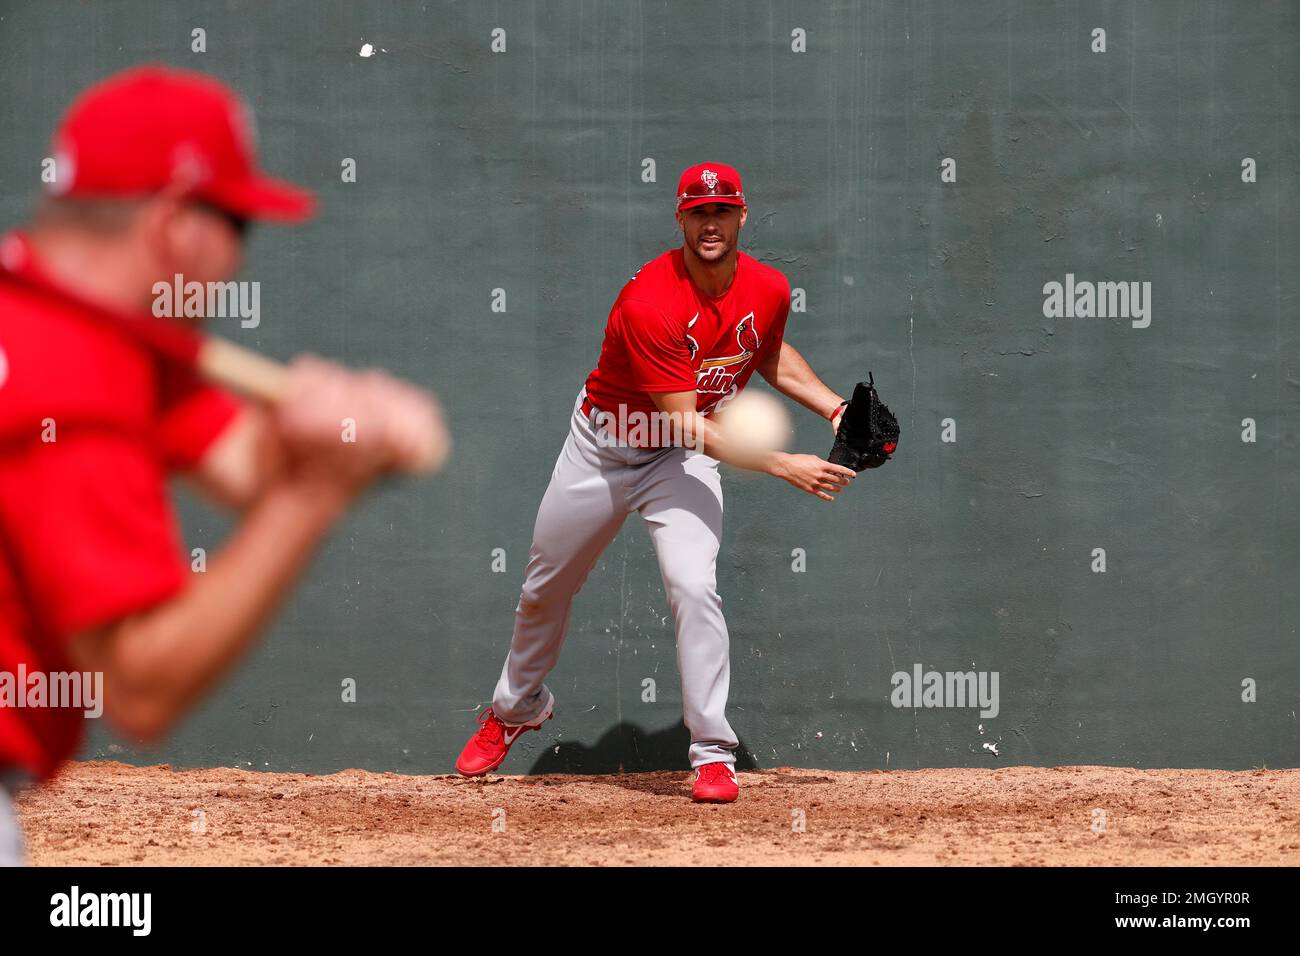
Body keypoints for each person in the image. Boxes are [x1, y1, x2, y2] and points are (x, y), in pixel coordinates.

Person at [0, 65, 445, 864]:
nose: (236, 262)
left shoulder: (42, 303)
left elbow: (244, 464)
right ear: (175, 223)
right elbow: (139, 688)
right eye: (239, 226)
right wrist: (313, 495)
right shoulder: (75, 381)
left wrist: (336, 432)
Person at [455, 162, 856, 802]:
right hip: (606, 448)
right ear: (681, 219)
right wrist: (787, 464)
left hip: (682, 461)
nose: (711, 222)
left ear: (742, 215)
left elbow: (768, 350)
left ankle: (712, 753)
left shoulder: (769, 287)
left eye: (722, 210)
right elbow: (686, 421)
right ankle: (515, 708)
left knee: (694, 585)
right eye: (698, 212)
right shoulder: (650, 301)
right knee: (544, 590)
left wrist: (837, 409)